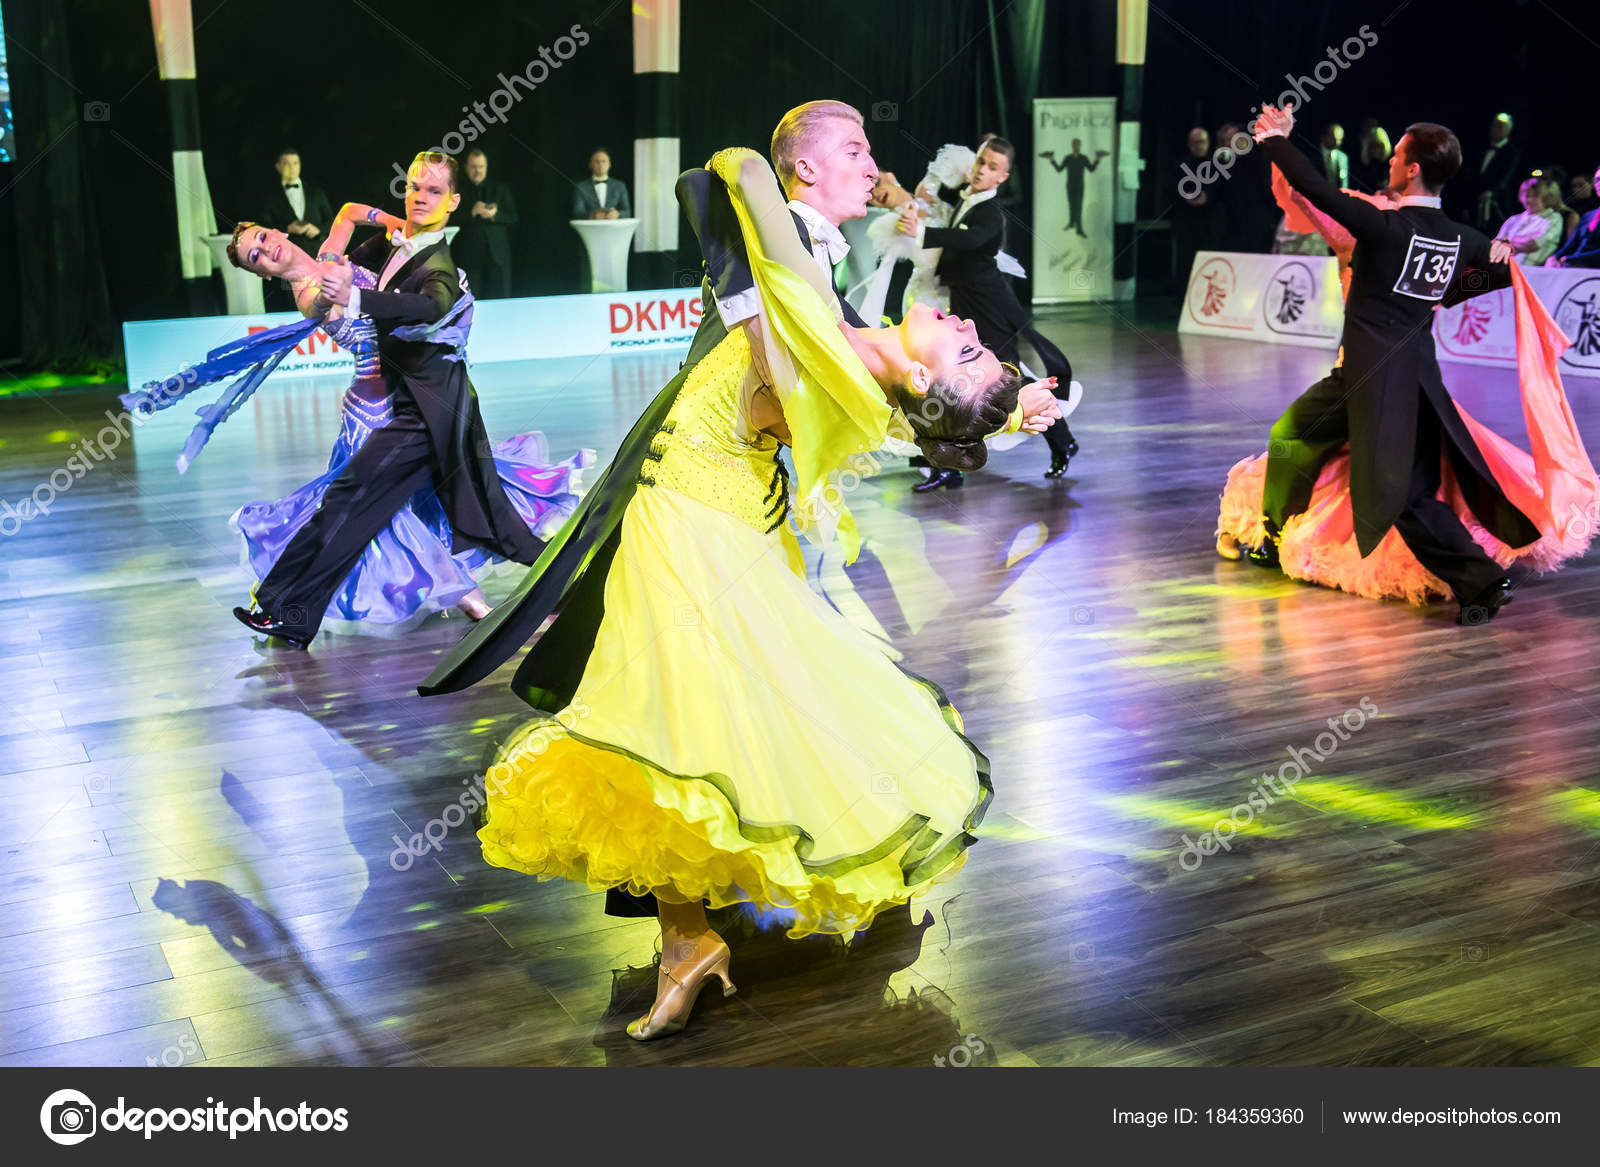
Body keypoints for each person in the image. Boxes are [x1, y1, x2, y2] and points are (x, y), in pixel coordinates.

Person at [425, 147, 1021, 1042]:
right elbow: (772, 246)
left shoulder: (831, 353)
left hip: (695, 536)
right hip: (698, 524)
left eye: (966, 350)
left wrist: (753, 167)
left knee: (662, 735)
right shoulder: (848, 343)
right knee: (684, 733)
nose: (966, 325)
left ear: (928, 379)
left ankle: (692, 940)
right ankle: (689, 939)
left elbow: (741, 178)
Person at [1217, 157, 1599, 609]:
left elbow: (1314, 195)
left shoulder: (1380, 229)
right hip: (1396, 375)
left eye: (1399, 166)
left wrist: (1276, 142)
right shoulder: (1422, 233)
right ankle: (1475, 578)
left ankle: (1278, 538)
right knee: (1394, 482)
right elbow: (1482, 269)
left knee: (1381, 481)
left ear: (1411, 180)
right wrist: (1493, 254)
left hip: (1373, 376)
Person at [229, 151, 549, 648]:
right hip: (395, 405)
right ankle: (284, 612)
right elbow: (367, 301)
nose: (266, 249)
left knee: (392, 511)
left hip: (423, 408)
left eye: (432, 191)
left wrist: (388, 235)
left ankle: (566, 580)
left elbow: (427, 296)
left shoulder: (410, 253)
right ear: (261, 274)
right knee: (362, 511)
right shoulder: (324, 284)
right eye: (256, 255)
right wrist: (353, 287)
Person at [898, 137, 1081, 484]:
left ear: (1003, 177)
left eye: (992, 167)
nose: (983, 170)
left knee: (1008, 376)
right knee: (961, 380)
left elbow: (967, 240)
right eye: (981, 162)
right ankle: (947, 465)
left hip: (989, 306)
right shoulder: (967, 199)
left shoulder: (991, 215)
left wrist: (923, 232)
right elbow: (940, 205)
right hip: (967, 301)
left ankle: (1060, 439)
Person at [452, 148, 518, 298]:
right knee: (469, 301)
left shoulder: (500, 189)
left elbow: (513, 218)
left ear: (486, 167)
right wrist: (472, 212)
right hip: (469, 258)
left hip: (498, 256)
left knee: (501, 301)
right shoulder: (457, 192)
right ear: (466, 168)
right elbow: (449, 220)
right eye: (473, 166)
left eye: (481, 167)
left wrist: (495, 215)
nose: (478, 171)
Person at [261, 148, 333, 254]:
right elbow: (263, 226)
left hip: (316, 254)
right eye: (286, 164)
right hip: (286, 255)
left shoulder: (316, 192)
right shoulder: (271, 197)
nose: (292, 168)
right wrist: (287, 228)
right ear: (278, 167)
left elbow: (332, 221)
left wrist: (318, 230)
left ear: (300, 165)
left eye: (295, 163)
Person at [1458, 113, 1521, 230]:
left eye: (1500, 126)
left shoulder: (1512, 153)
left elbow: (1507, 177)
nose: (1496, 129)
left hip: (1497, 205)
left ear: (1509, 130)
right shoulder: (1479, 149)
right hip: (1474, 203)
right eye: (1494, 125)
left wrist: (1492, 192)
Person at [1040, 137, 1108, 238]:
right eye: (1074, 144)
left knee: (1078, 207)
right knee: (1071, 205)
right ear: (1072, 146)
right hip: (1070, 185)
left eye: (1078, 144)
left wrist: (1097, 159)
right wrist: (1052, 159)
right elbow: (1059, 169)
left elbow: (1091, 169)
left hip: (1079, 186)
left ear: (1080, 146)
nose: (1076, 146)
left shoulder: (1083, 158)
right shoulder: (1068, 158)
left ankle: (1079, 229)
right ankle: (1071, 223)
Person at [1496, 177, 1564, 266]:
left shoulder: (1553, 218)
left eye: (1535, 196)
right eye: (1527, 195)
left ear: (1544, 197)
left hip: (1531, 271)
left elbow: (1534, 244)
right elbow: (1495, 245)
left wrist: (1507, 243)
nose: (1530, 200)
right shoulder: (1513, 220)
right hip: (1502, 267)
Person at [1547, 166, 1600, 267]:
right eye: (1597, 180)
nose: (1599, 184)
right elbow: (1570, 244)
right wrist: (1554, 257)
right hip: (1576, 268)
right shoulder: (1588, 215)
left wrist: (1574, 260)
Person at [571, 147, 631, 219]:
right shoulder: (581, 186)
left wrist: (618, 214)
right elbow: (577, 213)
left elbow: (627, 211)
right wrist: (592, 215)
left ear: (609, 164)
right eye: (597, 161)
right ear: (590, 164)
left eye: (603, 161)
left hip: (614, 228)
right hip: (590, 229)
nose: (600, 165)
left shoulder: (620, 186)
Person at [1351, 123, 1392, 193]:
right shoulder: (1362, 165)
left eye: (1379, 146)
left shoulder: (1389, 164)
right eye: (1373, 146)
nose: (1376, 150)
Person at [1319, 123, 1349, 187]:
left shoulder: (1343, 157)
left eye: (1340, 139)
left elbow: (1344, 183)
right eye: (1334, 138)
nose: (1337, 143)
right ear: (1325, 136)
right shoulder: (1314, 152)